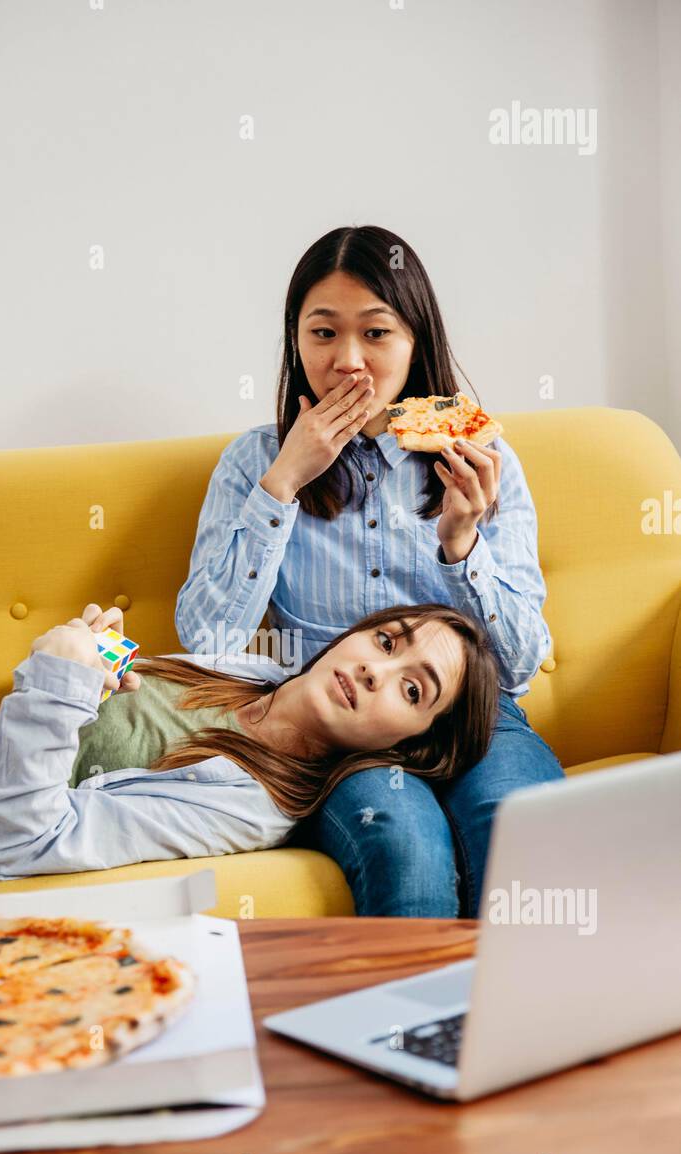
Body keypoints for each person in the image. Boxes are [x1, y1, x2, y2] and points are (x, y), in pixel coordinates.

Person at [176, 224, 566, 919]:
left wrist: (461, 545)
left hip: (473, 713)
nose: (348, 362)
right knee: (406, 852)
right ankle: (404, 1031)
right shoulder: (254, 462)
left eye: (377, 334)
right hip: (340, 725)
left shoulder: (479, 458)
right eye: (323, 333)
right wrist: (284, 483)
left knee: (524, 831)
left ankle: (536, 1025)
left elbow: (518, 667)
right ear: (295, 343)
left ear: (417, 342)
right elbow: (206, 641)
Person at [0, 601, 499, 894]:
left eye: (413, 691)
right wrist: (92, 661)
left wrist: (57, 683)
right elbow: (97, 720)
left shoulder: (249, 805)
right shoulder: (241, 670)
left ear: (413, 748)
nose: (379, 670)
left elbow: (21, 841)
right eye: (386, 641)